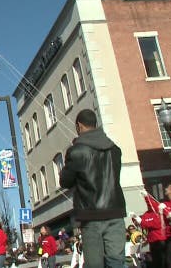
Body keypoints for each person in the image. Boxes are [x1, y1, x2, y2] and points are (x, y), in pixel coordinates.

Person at [58, 109, 126, 268]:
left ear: (79, 126)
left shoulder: (76, 151)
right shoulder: (114, 149)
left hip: (90, 213)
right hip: (115, 209)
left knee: (94, 263)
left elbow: (65, 181)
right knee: (117, 260)